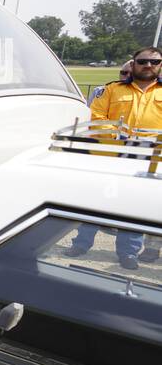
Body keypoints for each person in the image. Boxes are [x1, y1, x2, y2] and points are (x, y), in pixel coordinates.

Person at [68, 45, 162, 268]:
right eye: (143, 61)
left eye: (155, 62)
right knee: (96, 201)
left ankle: (128, 253)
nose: (148, 65)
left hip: (149, 159)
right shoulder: (111, 90)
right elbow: (96, 116)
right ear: (133, 63)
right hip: (111, 154)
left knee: (136, 206)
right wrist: (118, 134)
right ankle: (81, 244)